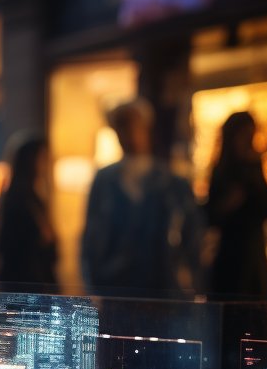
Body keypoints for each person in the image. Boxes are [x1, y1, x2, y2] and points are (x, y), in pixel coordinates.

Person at [80, 97, 204, 296]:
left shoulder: (172, 182)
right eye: (122, 128)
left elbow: (192, 237)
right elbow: (91, 237)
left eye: (134, 126)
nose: (129, 134)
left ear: (147, 128)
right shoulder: (104, 180)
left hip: (164, 286)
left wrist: (191, 282)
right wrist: (93, 285)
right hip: (116, 286)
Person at [205, 111, 267, 298]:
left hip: (254, 257)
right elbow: (209, 217)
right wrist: (227, 204)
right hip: (230, 257)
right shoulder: (222, 171)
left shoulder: (255, 167)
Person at [0, 130, 58, 289]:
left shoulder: (29, 195)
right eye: (42, 158)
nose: (46, 164)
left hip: (27, 279)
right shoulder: (21, 197)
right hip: (25, 281)